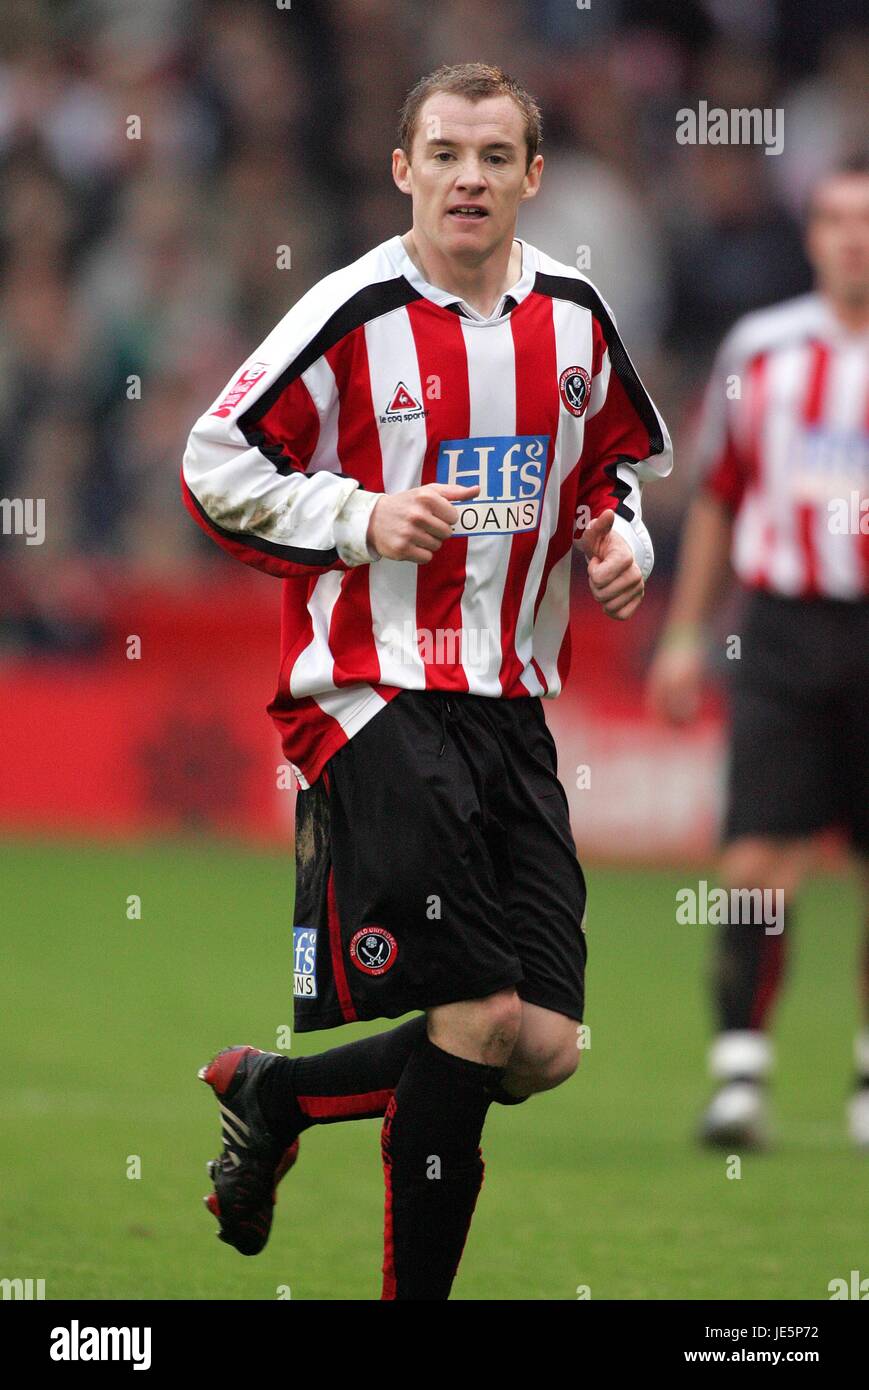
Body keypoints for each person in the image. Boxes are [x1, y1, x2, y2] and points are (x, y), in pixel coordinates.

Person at [183, 61, 672, 1299]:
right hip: (369, 688)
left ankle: (277, 1095)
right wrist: (355, 515)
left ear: (531, 176)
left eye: (493, 157)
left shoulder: (572, 315)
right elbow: (214, 462)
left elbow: (610, 470)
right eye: (444, 153)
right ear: (402, 168)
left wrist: (623, 544)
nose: (468, 177)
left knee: (544, 1044)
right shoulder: (349, 311)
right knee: (478, 1016)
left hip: (508, 703)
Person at [647, 161, 869, 1150]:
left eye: (865, 222)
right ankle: (738, 1074)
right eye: (832, 219)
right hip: (779, 626)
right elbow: (717, 497)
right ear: (811, 234)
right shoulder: (762, 348)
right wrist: (687, 633)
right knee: (753, 856)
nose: (850, 239)